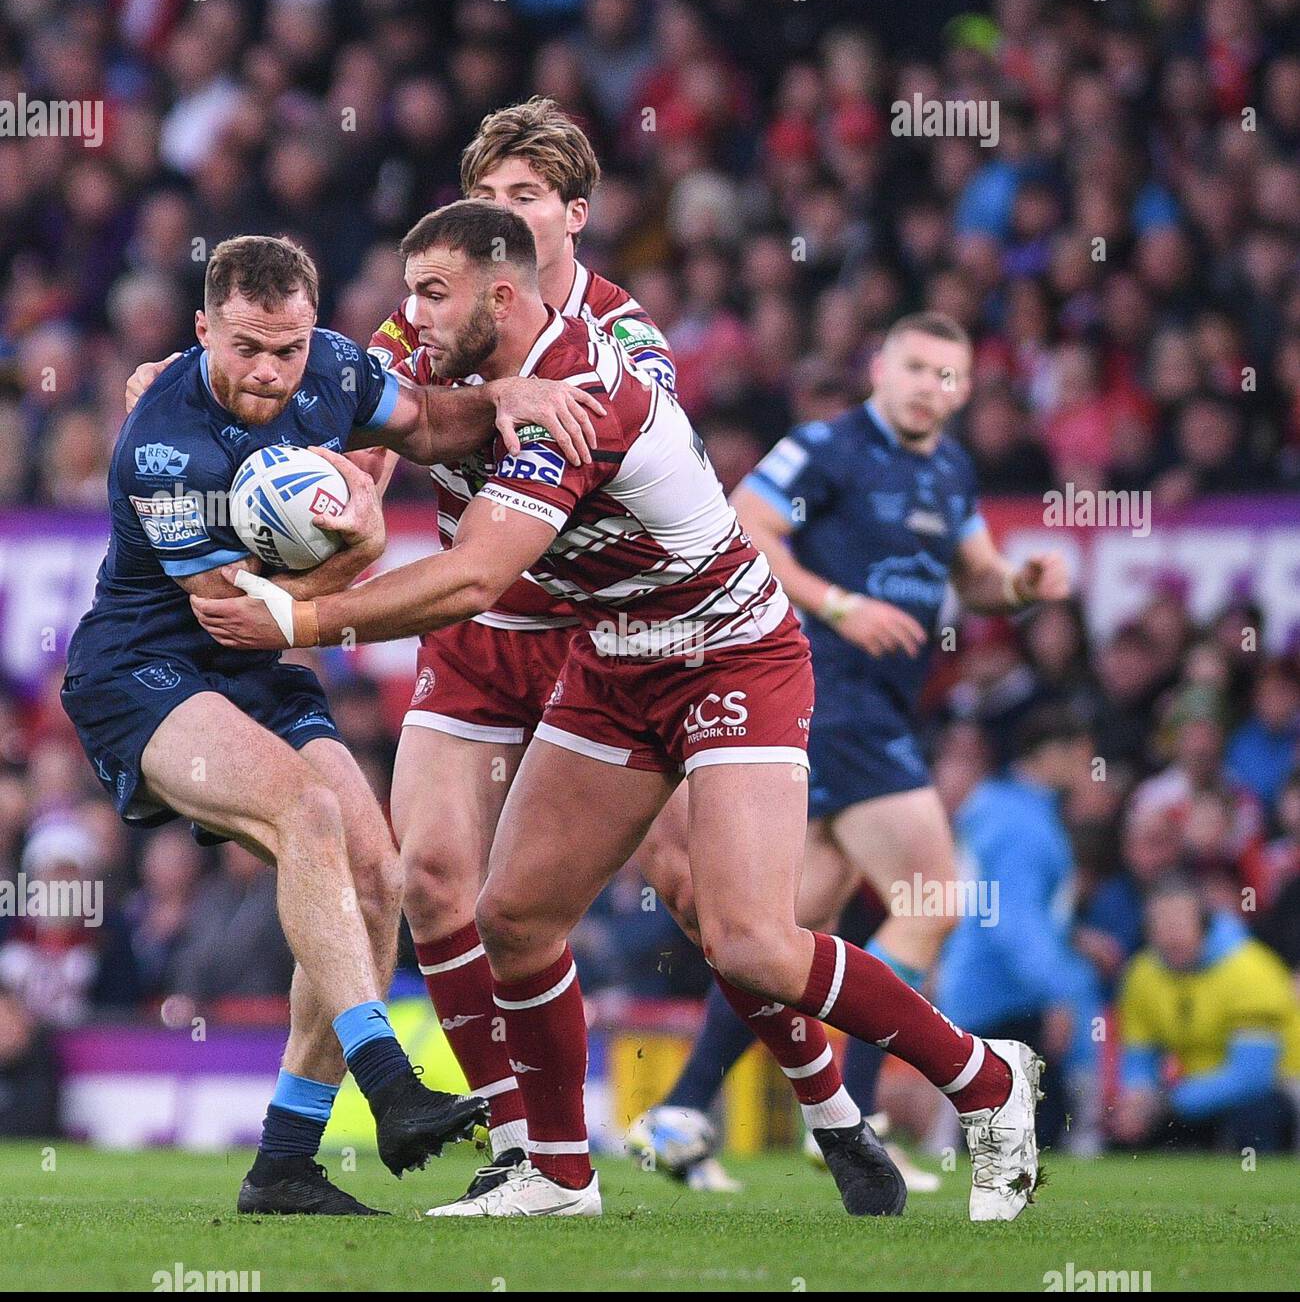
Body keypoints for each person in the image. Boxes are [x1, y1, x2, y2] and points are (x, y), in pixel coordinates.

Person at [194, 200, 1045, 1223]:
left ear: (501, 294)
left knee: (752, 943)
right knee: (511, 917)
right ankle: (556, 1173)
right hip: (612, 654)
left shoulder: (588, 395)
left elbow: (472, 580)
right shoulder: (461, 365)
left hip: (727, 651)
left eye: (431, 293)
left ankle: (987, 1081)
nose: (407, 314)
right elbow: (359, 405)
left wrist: (301, 611)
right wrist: (178, 387)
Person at [363, 97, 868, 1206]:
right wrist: (350, 487)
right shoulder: (422, 320)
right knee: (436, 879)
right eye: (484, 196)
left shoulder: (624, 333)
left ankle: (829, 1107)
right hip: (478, 627)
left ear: (573, 215)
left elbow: (602, 442)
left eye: (525, 197)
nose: (501, 214)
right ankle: (525, 1147)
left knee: (712, 906)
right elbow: (367, 428)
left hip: (612, 635)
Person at [63, 232, 603, 1214]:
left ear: (312, 328)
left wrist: (501, 399)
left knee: (377, 872)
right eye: (245, 349)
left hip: (255, 667)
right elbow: (229, 610)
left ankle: (284, 1164)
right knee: (305, 809)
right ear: (201, 331)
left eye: (289, 346)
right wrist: (353, 559)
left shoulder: (338, 368)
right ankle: (390, 1078)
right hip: (145, 667)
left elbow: (430, 429)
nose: (270, 371)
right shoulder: (164, 444)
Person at [636, 312, 1069, 1185]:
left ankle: (680, 1111)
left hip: (878, 709)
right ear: (879, 364)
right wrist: (837, 606)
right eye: (914, 367)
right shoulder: (826, 448)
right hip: (827, 693)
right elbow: (746, 523)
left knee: (785, 932)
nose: (928, 387)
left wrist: (1019, 585)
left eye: (948, 376)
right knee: (934, 895)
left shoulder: (949, 469)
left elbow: (978, 579)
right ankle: (857, 1119)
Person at [936, 708, 1104, 1152]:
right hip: (1009, 1004)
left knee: (994, 1143)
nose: (1088, 769)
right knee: (1030, 1151)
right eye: (1080, 756)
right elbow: (1012, 919)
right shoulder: (1022, 824)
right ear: (1049, 754)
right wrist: (1056, 991)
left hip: (982, 994)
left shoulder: (1001, 810)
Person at [1113, 872, 1300, 1153]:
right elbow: (1138, 1056)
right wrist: (1139, 1098)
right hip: (1190, 1093)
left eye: (1178, 924)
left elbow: (1252, 1077)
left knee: (1256, 1115)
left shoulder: (1250, 970)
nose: (1169, 935)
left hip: (1280, 1086)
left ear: (1204, 924)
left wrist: (1168, 1102)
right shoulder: (1142, 975)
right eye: (1159, 925)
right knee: (1129, 1129)